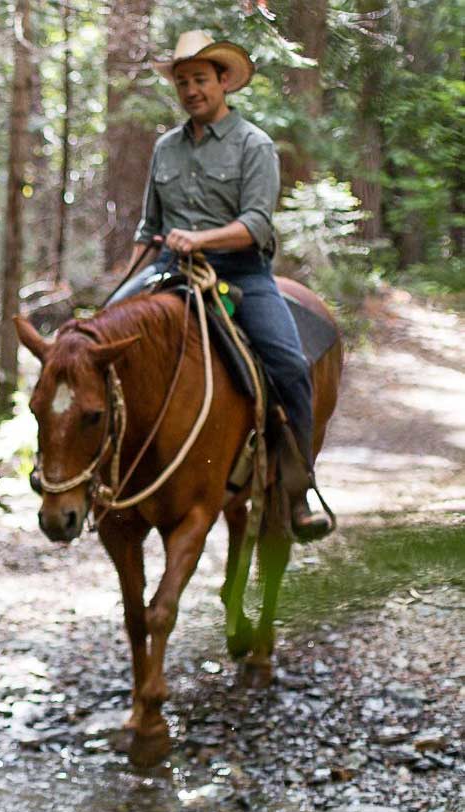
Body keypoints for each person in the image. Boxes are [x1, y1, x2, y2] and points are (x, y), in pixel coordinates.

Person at [115, 29, 330, 542]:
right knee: (92, 347)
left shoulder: (254, 145)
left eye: (201, 80)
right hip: (167, 269)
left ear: (223, 82)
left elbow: (256, 223)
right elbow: (149, 229)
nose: (192, 90)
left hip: (240, 273)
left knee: (290, 367)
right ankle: (105, 481)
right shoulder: (165, 149)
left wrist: (201, 238)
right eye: (183, 81)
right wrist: (122, 288)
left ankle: (298, 489)